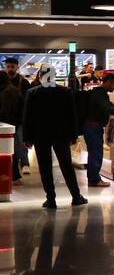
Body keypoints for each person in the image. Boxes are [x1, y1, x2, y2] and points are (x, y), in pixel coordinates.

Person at [23, 68, 86, 208]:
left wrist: (27, 137)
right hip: (61, 135)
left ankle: (50, 199)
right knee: (67, 166)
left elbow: (27, 117)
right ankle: (76, 196)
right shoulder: (64, 91)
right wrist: (73, 135)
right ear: (55, 76)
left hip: (40, 136)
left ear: (40, 76)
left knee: (45, 167)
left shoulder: (32, 92)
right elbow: (72, 115)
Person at [82, 72, 114, 188]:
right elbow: (105, 108)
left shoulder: (97, 93)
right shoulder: (100, 93)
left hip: (91, 126)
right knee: (96, 153)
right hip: (93, 126)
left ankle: (93, 178)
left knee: (94, 153)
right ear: (108, 82)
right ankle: (94, 180)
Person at [1, 59, 27, 182]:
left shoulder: (21, 83)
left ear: (17, 67)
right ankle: (15, 173)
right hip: (15, 122)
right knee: (13, 149)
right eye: (8, 67)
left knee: (17, 146)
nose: (10, 69)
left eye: (12, 66)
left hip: (13, 123)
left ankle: (21, 167)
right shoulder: (11, 89)